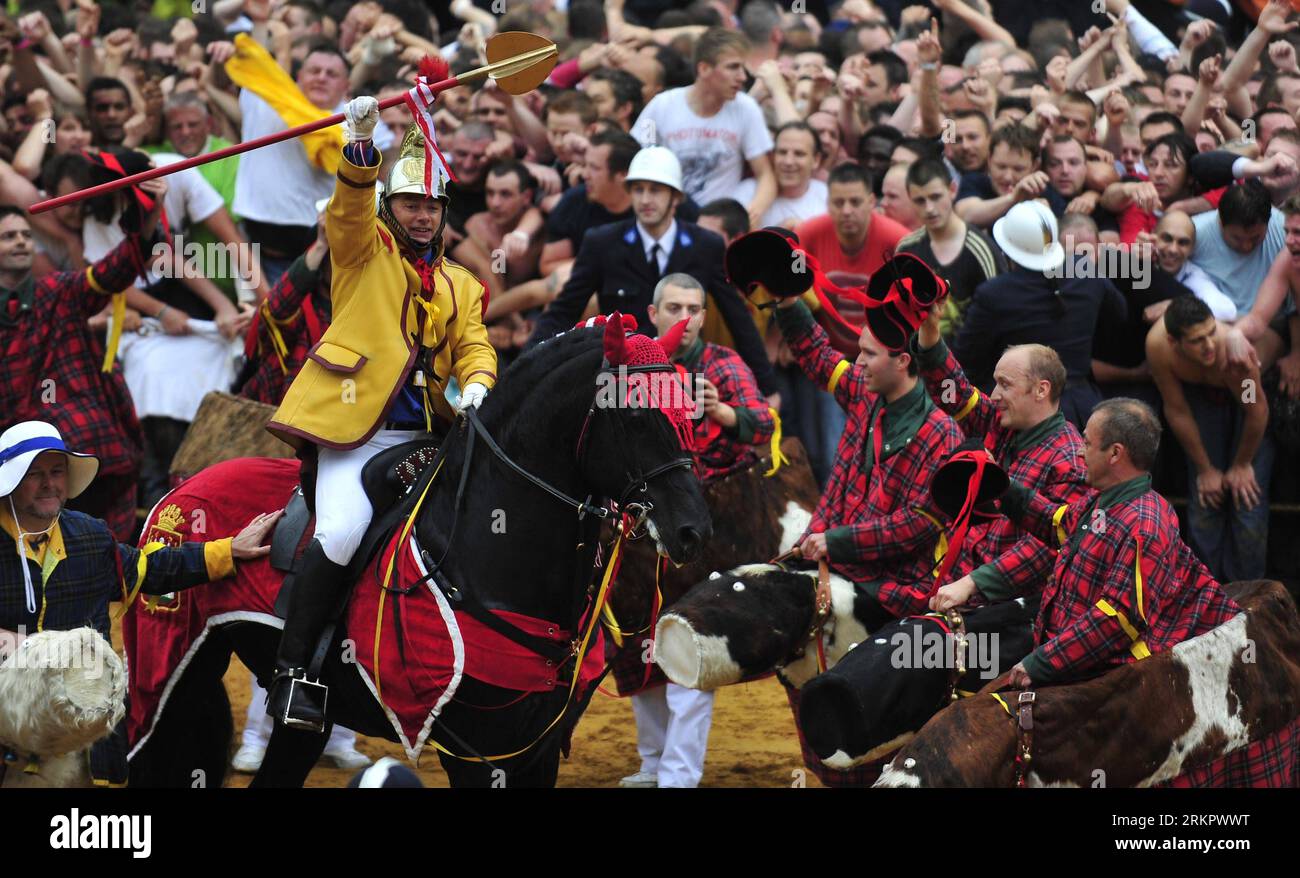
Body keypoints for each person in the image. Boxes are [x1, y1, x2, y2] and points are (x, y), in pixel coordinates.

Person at [264, 97, 497, 732]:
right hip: (354, 436)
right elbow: (346, 212)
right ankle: (292, 675)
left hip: (430, 436)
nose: (422, 216)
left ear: (445, 212)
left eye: (432, 206)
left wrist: (477, 383)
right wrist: (361, 143)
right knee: (339, 535)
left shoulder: (465, 284)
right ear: (391, 209)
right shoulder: (361, 252)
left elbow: (474, 345)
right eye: (411, 205)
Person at [0, 420, 279, 785]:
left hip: (85, 728)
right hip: (10, 729)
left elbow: (152, 568)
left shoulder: (89, 535)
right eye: (34, 474)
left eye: (56, 472)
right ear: (11, 483)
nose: (49, 483)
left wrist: (227, 550)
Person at [620, 272, 774, 789]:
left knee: (687, 645)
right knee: (637, 647)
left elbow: (767, 422)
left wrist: (724, 412)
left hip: (708, 530)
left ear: (705, 317)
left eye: (693, 309)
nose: (683, 319)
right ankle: (652, 762)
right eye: (672, 308)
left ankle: (678, 777)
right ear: (652, 312)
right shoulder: (631, 368)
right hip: (640, 532)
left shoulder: (723, 364)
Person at [1001, 398, 1240, 686]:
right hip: (1072, 665)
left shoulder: (1144, 524)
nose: (1079, 452)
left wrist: (1040, 663)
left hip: (1113, 683)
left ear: (1115, 453)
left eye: (1087, 443)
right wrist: (1001, 487)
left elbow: (1117, 620)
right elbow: (1057, 524)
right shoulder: (1104, 501)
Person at [527, 146, 776, 397]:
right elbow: (563, 311)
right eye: (638, 189)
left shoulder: (705, 245)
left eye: (655, 190)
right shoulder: (601, 243)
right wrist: (526, 367)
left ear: (676, 198)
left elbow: (738, 319)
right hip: (619, 386)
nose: (645, 199)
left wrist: (767, 388)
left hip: (684, 383)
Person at [0, 201, 158, 543]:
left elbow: (111, 273)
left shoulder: (59, 291)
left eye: (26, 235)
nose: (21, 242)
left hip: (91, 453)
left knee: (107, 561)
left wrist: (145, 221)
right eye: (9, 236)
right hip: (16, 466)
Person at [953, 200, 1126, 428]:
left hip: (1023, 417)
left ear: (1007, 248)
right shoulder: (1087, 272)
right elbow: (1119, 319)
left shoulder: (994, 294)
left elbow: (965, 361)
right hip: (1083, 411)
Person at [1146, 297, 1272, 582]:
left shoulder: (1235, 357)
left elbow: (1256, 410)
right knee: (1205, 498)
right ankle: (1206, 595)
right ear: (1173, 341)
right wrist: (1205, 469)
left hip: (1247, 400)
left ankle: (1250, 600)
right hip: (1201, 403)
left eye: (1211, 332)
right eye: (1196, 340)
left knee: (1247, 501)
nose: (1209, 345)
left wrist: (1242, 464)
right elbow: (1176, 409)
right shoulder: (1158, 347)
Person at [633, 28, 776, 228]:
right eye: (733, 67)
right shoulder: (661, 106)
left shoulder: (746, 108)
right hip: (670, 220)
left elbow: (765, 175)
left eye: (743, 68)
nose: (743, 77)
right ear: (704, 69)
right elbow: (639, 160)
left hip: (719, 225)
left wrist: (752, 212)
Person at [897, 158, 1005, 340]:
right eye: (920, 201)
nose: (929, 208)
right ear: (909, 198)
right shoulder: (906, 249)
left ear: (953, 190)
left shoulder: (982, 250)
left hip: (972, 363)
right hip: (921, 361)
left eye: (935, 197)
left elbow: (1000, 314)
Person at [734, 121, 827, 230]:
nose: (788, 162)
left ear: (816, 160)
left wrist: (806, 233)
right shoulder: (746, 192)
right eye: (782, 152)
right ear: (773, 156)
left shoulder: (827, 197)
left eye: (799, 154)